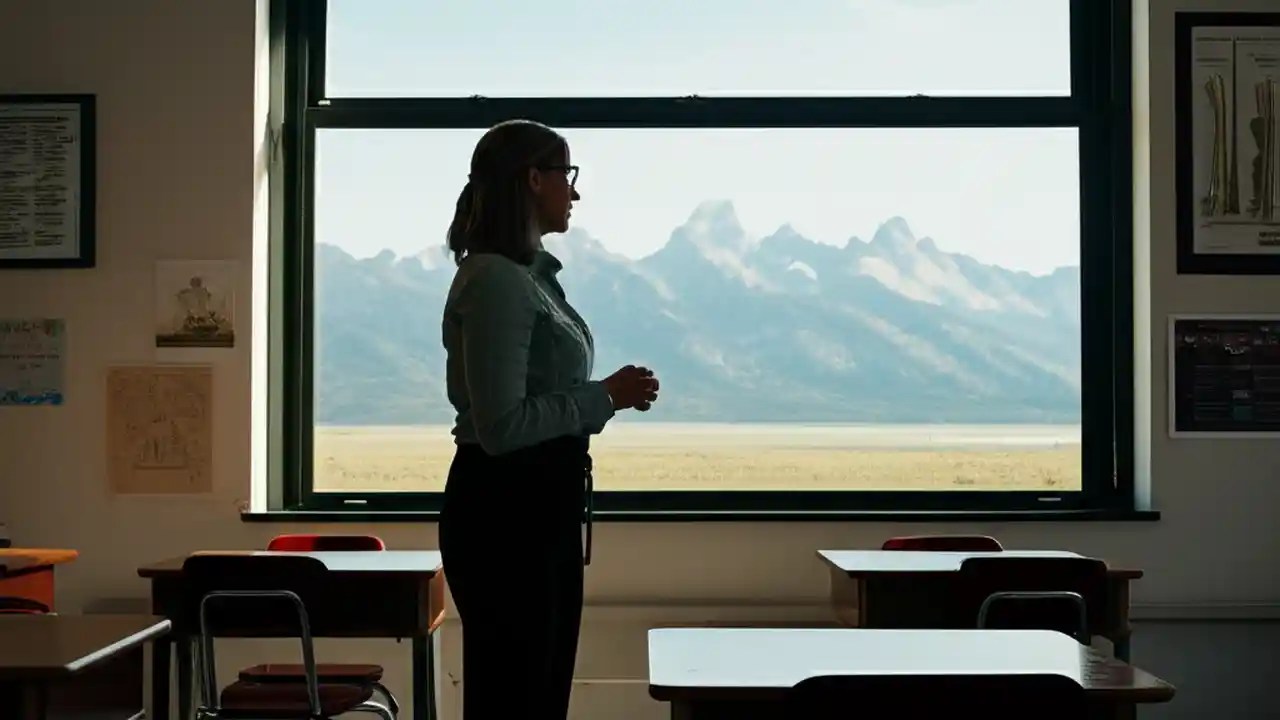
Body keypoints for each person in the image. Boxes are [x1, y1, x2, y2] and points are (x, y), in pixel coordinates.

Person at [437, 118, 660, 719]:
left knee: (537, 689)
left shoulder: (528, 278)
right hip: (508, 512)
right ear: (533, 179)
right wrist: (603, 396)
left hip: (536, 507)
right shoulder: (496, 280)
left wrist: (603, 397)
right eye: (568, 174)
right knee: (517, 694)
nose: (575, 191)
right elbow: (502, 426)